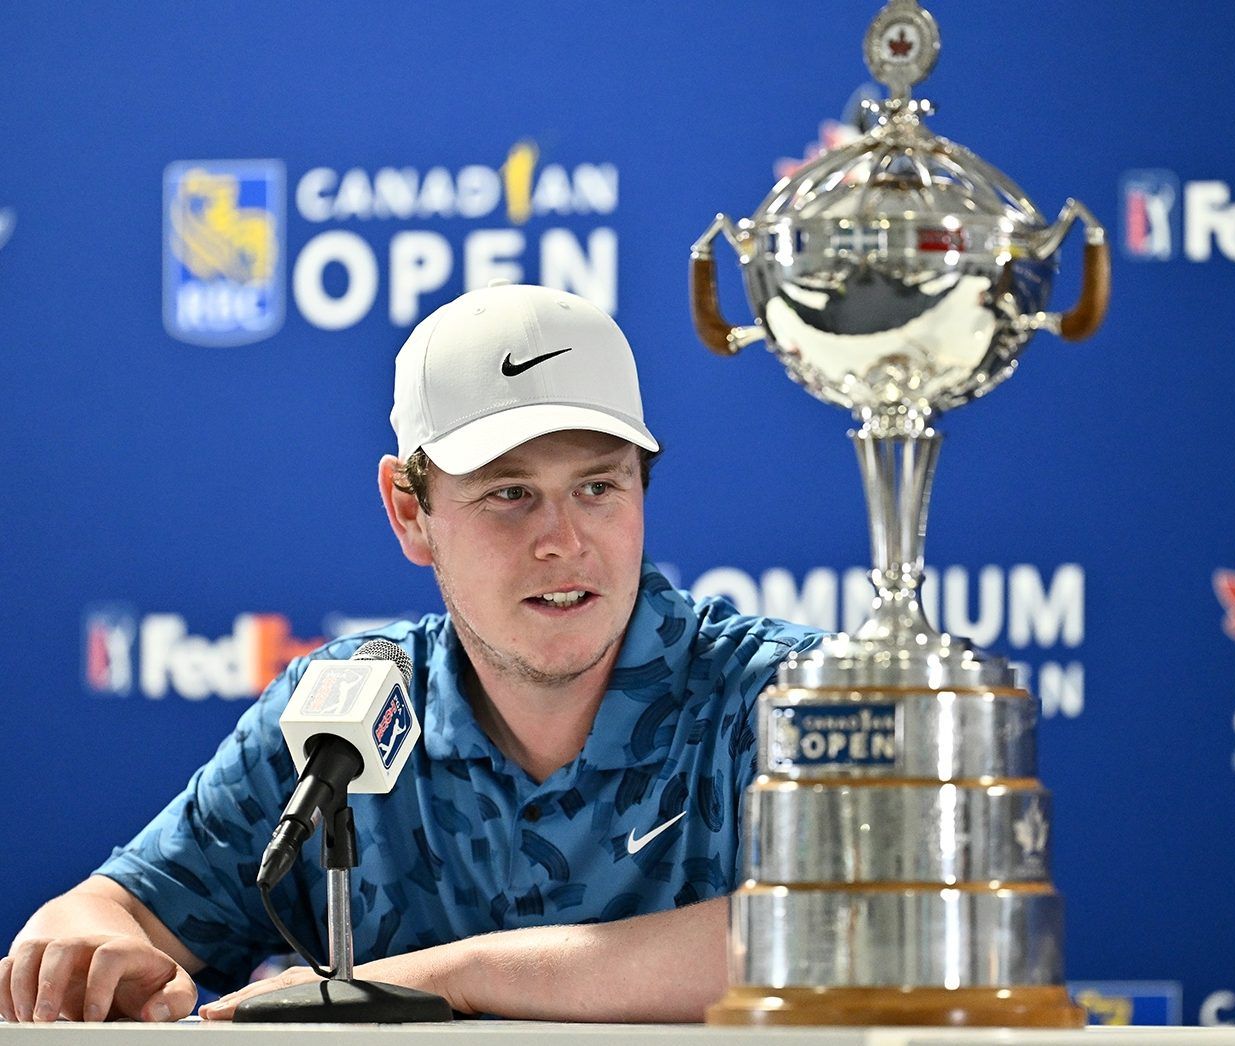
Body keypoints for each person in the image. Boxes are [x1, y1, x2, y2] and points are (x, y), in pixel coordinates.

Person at [0, 284, 822, 1024]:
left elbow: (854, 929)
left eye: (599, 488)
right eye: (509, 494)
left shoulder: (793, 698)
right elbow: (115, 913)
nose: (564, 542)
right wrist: (88, 953)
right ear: (409, 511)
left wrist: (444, 977)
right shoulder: (343, 704)